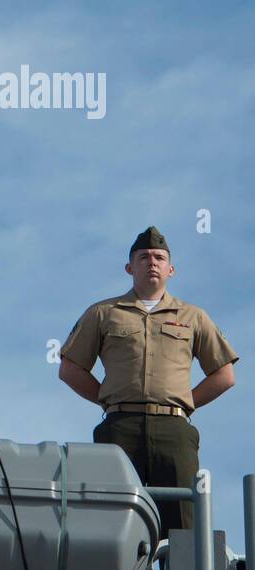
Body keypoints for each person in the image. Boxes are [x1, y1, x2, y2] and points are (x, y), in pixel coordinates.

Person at [59, 226, 237, 531]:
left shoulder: (193, 316)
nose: (151, 262)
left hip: (174, 432)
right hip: (120, 428)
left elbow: (224, 374)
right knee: (113, 518)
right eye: (143, 257)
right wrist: (107, 397)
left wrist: (185, 403)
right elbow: (70, 368)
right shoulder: (104, 313)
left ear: (171, 269)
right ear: (130, 267)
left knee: (182, 523)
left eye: (159, 257)